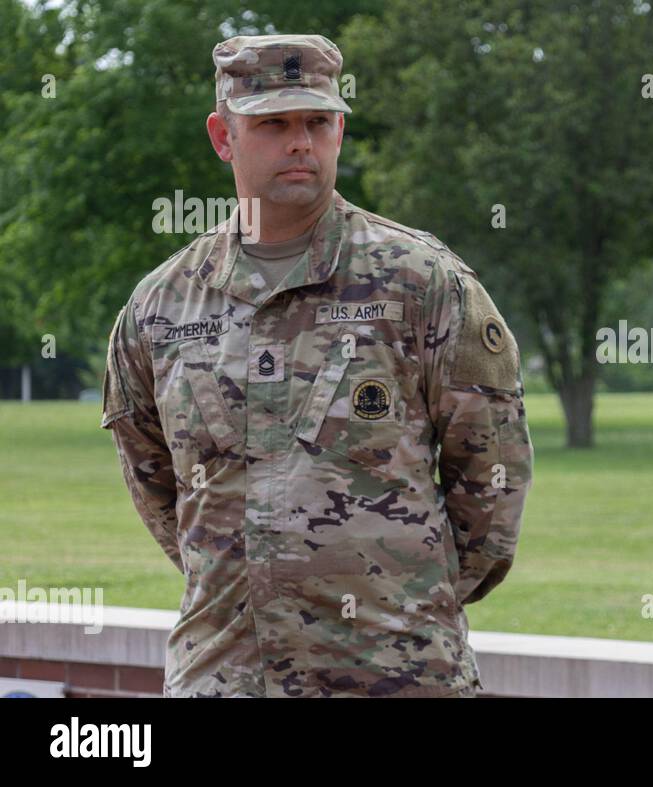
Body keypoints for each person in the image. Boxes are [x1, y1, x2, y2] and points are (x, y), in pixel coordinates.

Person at [100, 34, 532, 697]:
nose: (300, 142)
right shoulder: (160, 308)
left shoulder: (421, 284)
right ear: (223, 136)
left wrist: (398, 598)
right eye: (273, 123)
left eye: (318, 122)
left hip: (397, 676)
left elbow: (491, 491)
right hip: (224, 676)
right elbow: (161, 489)